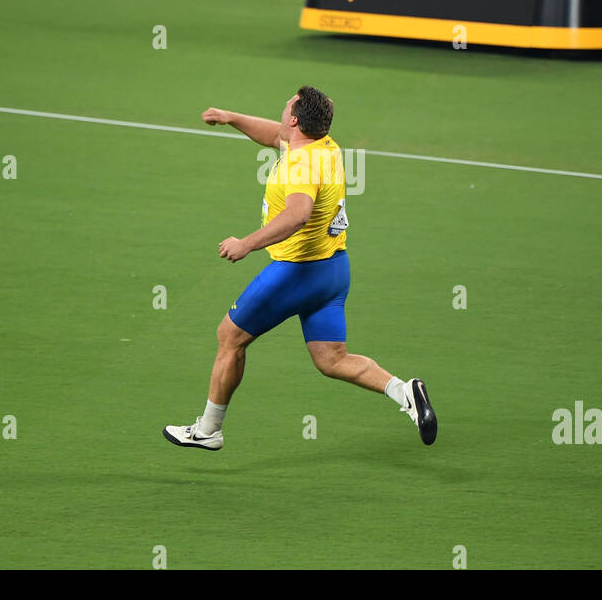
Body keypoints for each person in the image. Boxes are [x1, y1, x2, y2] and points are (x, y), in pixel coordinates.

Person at [163, 86, 436, 451]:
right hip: (333, 271)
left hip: (297, 273)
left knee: (230, 337)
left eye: (287, 105)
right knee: (331, 358)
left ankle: (209, 429)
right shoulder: (323, 146)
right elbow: (275, 135)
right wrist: (231, 118)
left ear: (295, 119)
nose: (282, 111)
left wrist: (246, 243)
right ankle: (404, 393)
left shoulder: (300, 165)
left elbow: (297, 215)